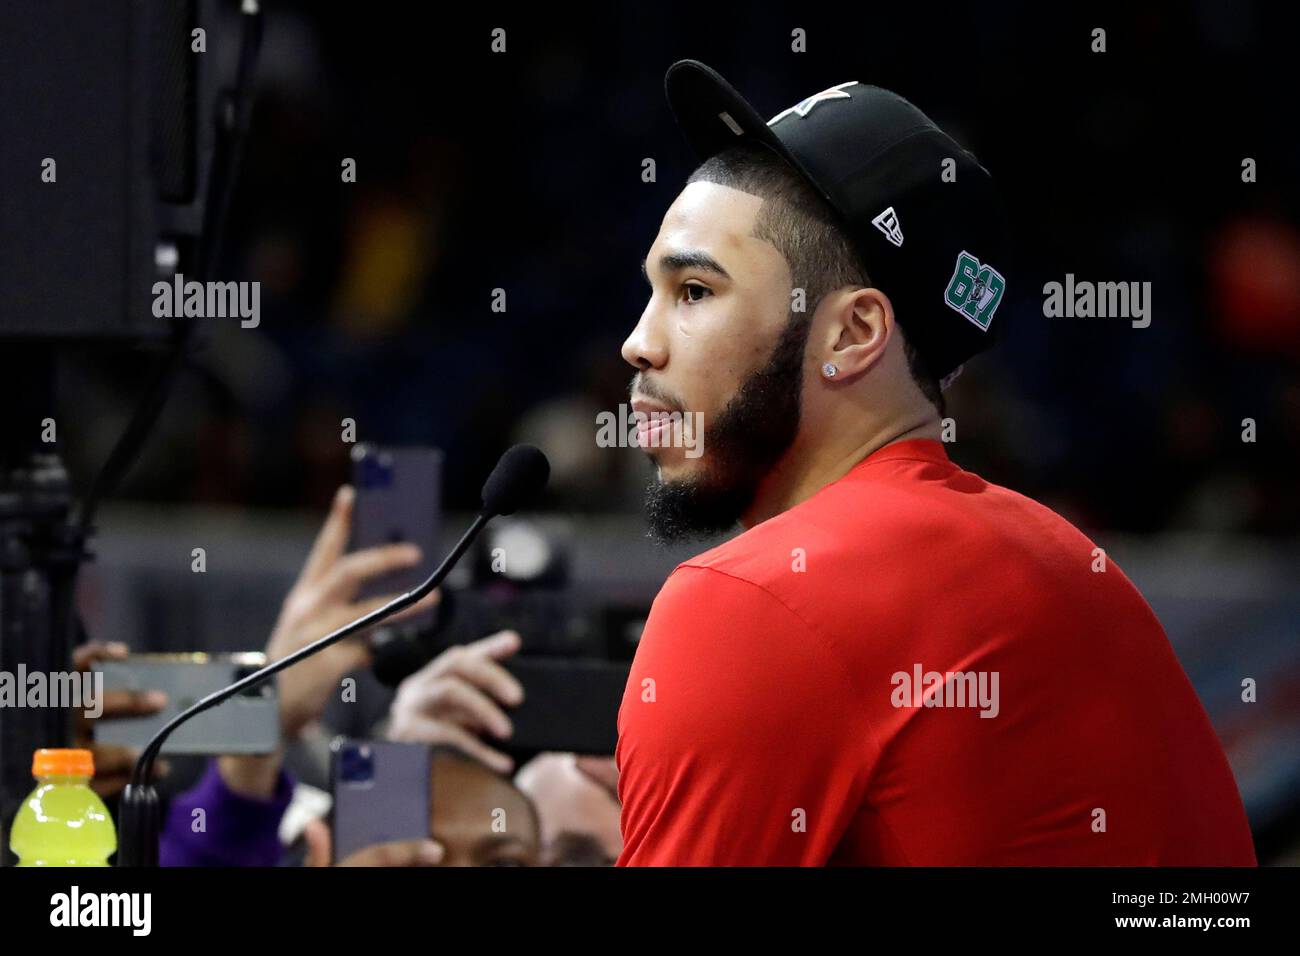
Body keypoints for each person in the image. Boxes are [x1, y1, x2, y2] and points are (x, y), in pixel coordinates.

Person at [614, 60, 1256, 865]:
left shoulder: (751, 602)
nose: (638, 343)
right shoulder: (1073, 563)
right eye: (652, 291)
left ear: (852, 334)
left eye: (694, 292)